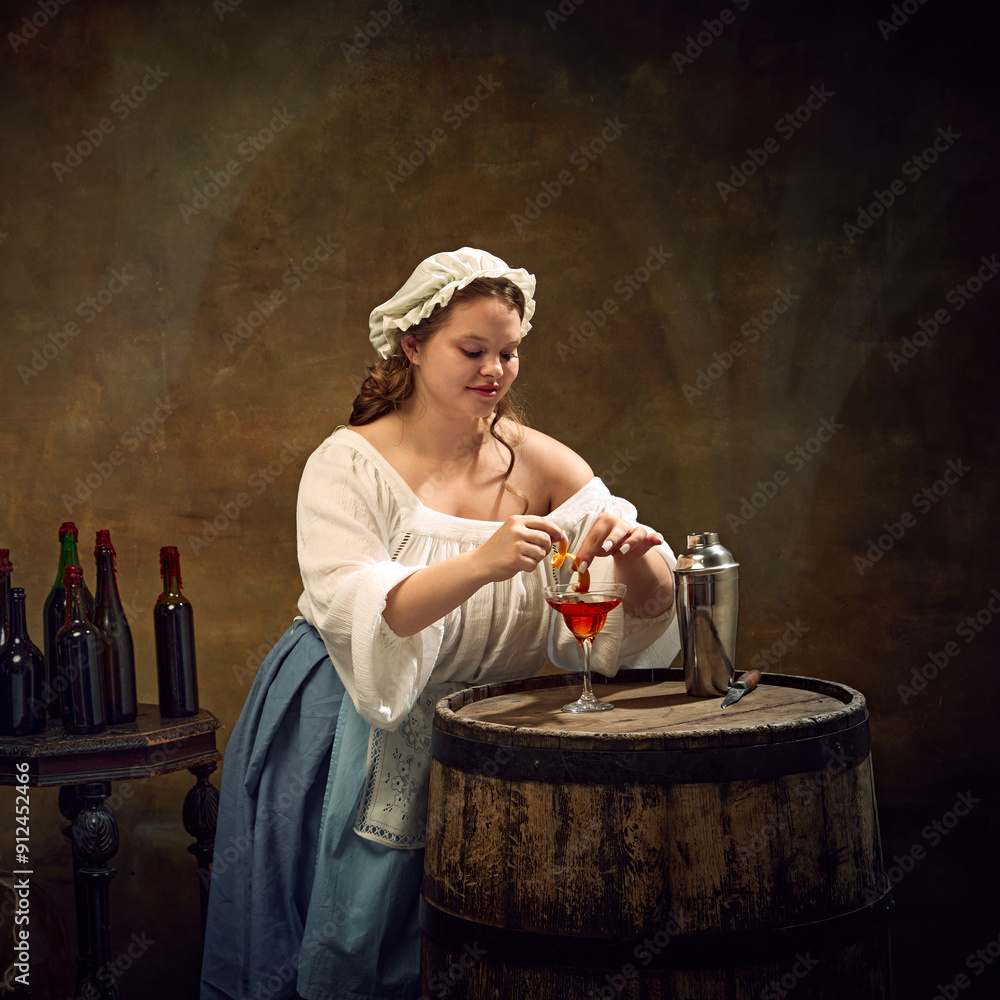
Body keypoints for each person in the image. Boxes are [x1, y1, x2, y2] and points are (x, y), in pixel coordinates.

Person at [200, 247, 680, 1000]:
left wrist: (644, 558)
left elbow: (630, 611)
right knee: (350, 937)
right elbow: (361, 603)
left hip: (487, 727)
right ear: (413, 346)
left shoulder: (542, 462)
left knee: (476, 943)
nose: (495, 369)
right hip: (346, 713)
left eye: (510, 352)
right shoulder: (350, 464)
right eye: (473, 349)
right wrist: (482, 563)